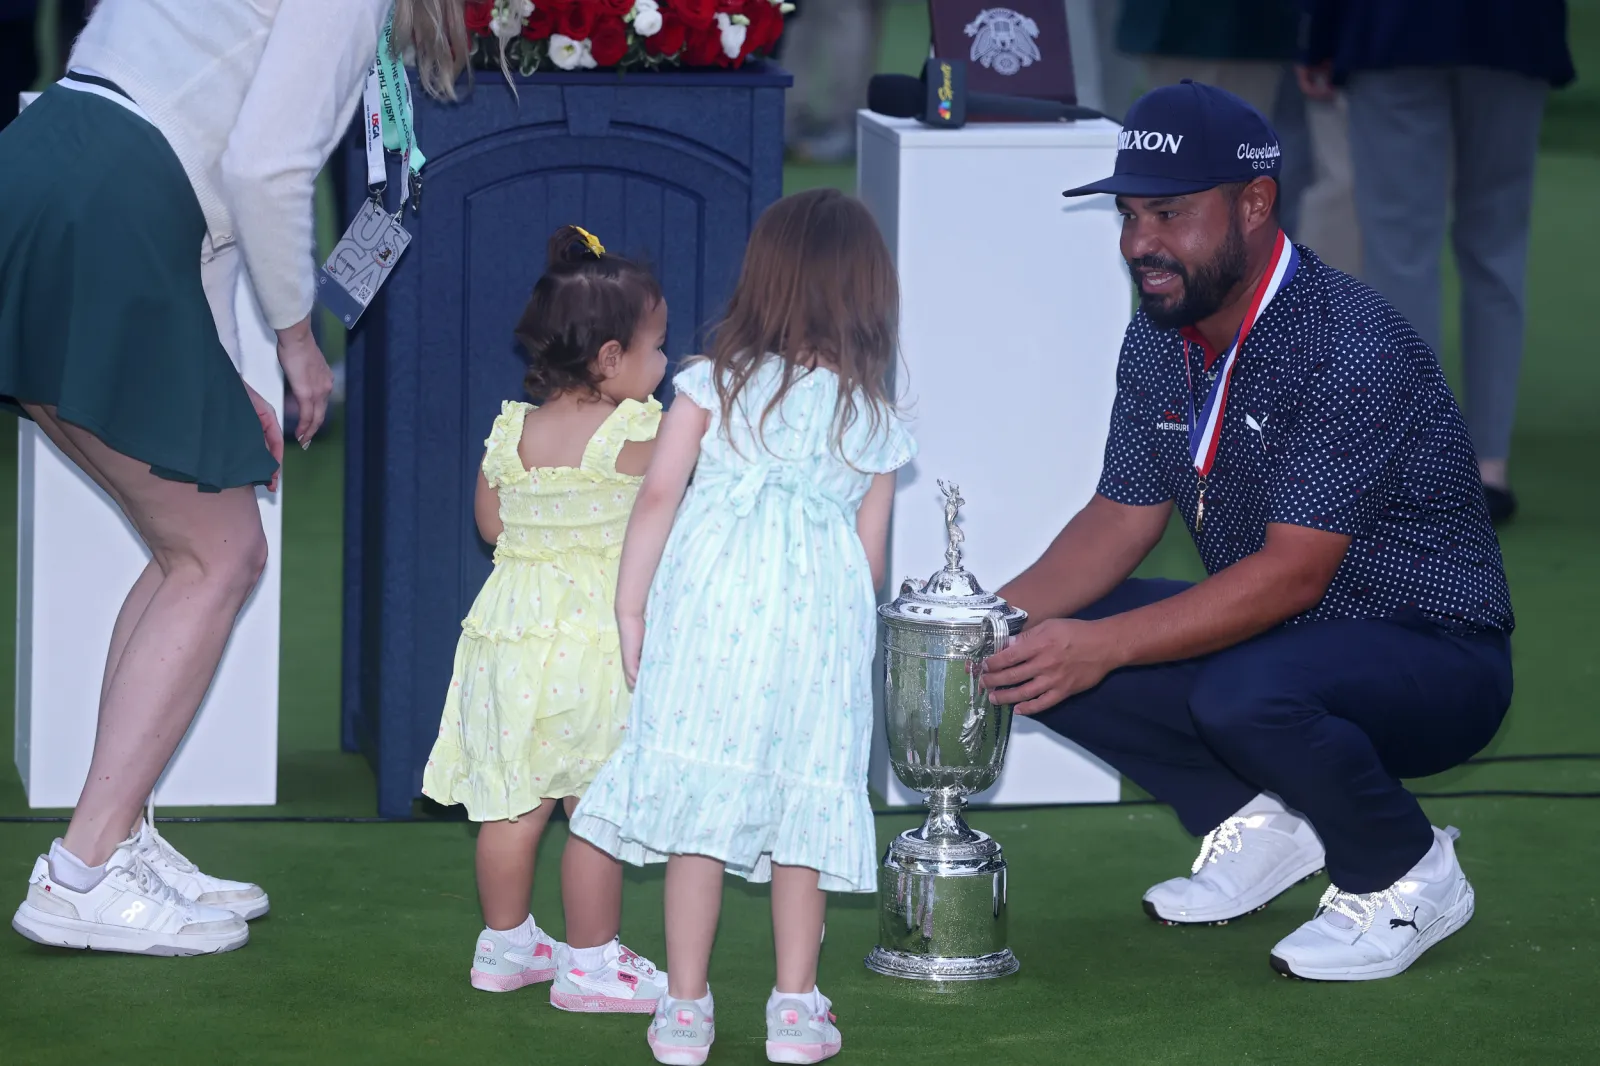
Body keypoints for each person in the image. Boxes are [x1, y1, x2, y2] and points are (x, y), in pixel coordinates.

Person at [983, 81, 1513, 982]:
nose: (1139, 242)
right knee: (1033, 647)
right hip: (1287, 639)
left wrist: (1100, 647)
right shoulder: (1162, 331)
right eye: (1129, 214)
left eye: (1169, 214)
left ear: (1255, 203)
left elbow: (1293, 574)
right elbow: (1122, 515)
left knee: (1228, 689)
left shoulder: (1348, 340)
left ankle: (1409, 871)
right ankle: (1274, 819)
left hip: (1435, 655)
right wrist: (980, 622)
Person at [1, 0, 470, 956]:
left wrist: (220, 368)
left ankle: (113, 842)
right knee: (221, 556)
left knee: (189, 548)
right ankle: (81, 873)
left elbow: (188, 146)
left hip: (41, 170)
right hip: (110, 209)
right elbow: (263, 169)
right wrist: (298, 344)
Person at [568, 188, 916, 1065]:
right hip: (816, 632)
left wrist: (630, 605)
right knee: (804, 807)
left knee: (700, 810)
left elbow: (658, 496)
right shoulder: (873, 417)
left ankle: (685, 1006)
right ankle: (794, 1008)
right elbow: (869, 560)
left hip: (712, 620)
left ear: (763, 280)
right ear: (870, 294)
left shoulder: (708, 383)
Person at [420, 225, 670, 1010]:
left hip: (510, 638)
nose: (665, 364)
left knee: (512, 804)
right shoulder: (638, 432)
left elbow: (490, 524)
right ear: (610, 358)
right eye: (657, 347)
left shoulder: (511, 432)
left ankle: (505, 945)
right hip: (595, 640)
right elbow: (674, 504)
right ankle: (590, 963)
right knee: (593, 808)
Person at [1298, 0, 1576, 524]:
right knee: (1496, 249)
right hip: (1515, 29)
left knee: (1400, 254)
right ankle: (1489, 465)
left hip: (1391, 27)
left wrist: (1318, 33)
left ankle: (1418, 463)